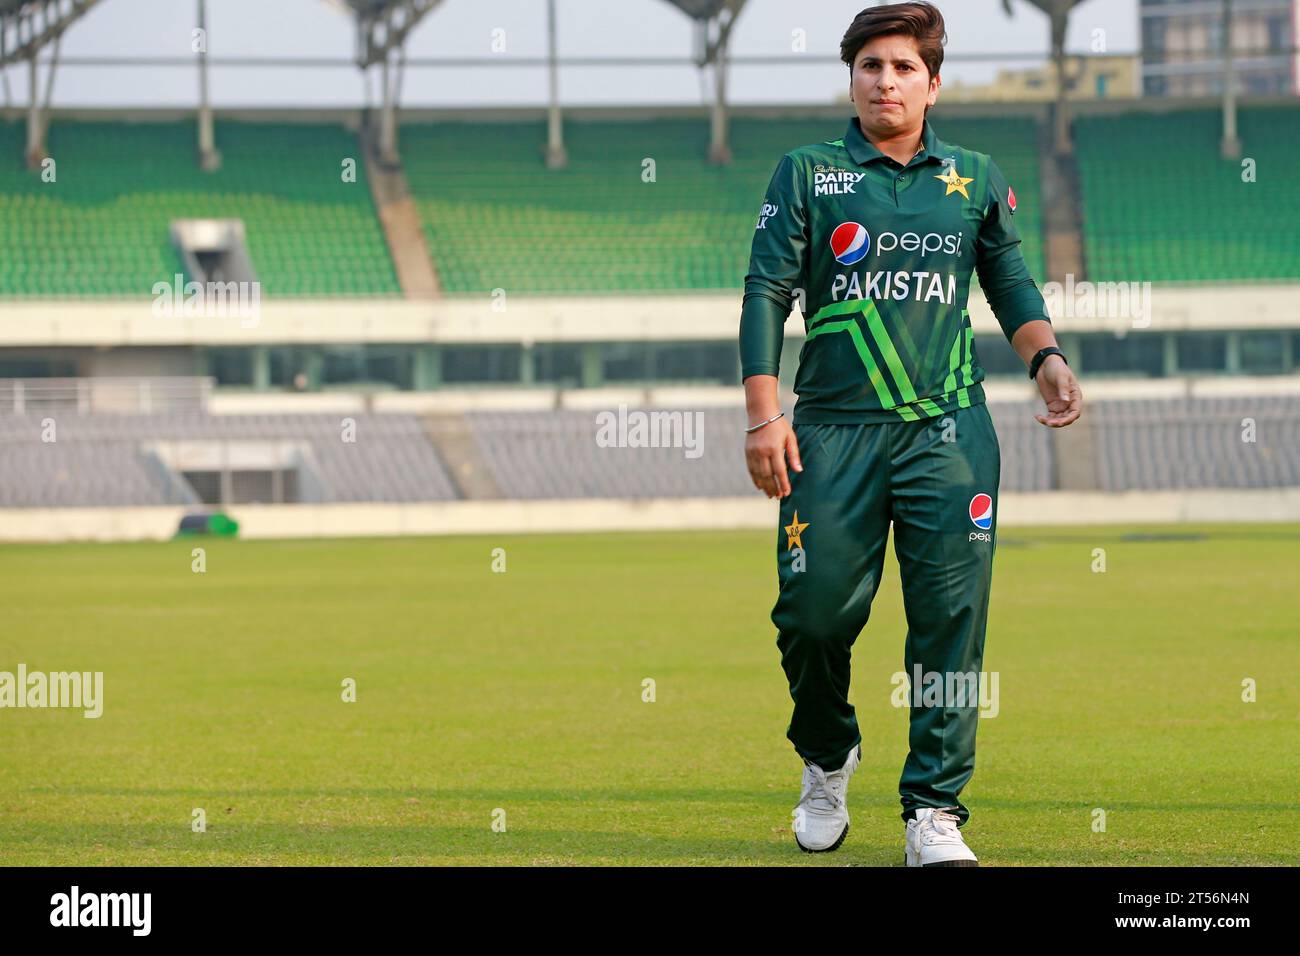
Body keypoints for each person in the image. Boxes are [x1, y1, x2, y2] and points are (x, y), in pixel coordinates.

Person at [738, 1, 1081, 865]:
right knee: (812, 618)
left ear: (933, 84)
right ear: (851, 79)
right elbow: (765, 293)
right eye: (869, 67)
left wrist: (1046, 358)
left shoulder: (972, 175)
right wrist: (763, 414)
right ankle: (826, 754)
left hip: (948, 434)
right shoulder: (807, 173)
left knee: (949, 623)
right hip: (830, 434)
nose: (884, 81)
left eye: (901, 68)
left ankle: (934, 811)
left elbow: (1008, 279)